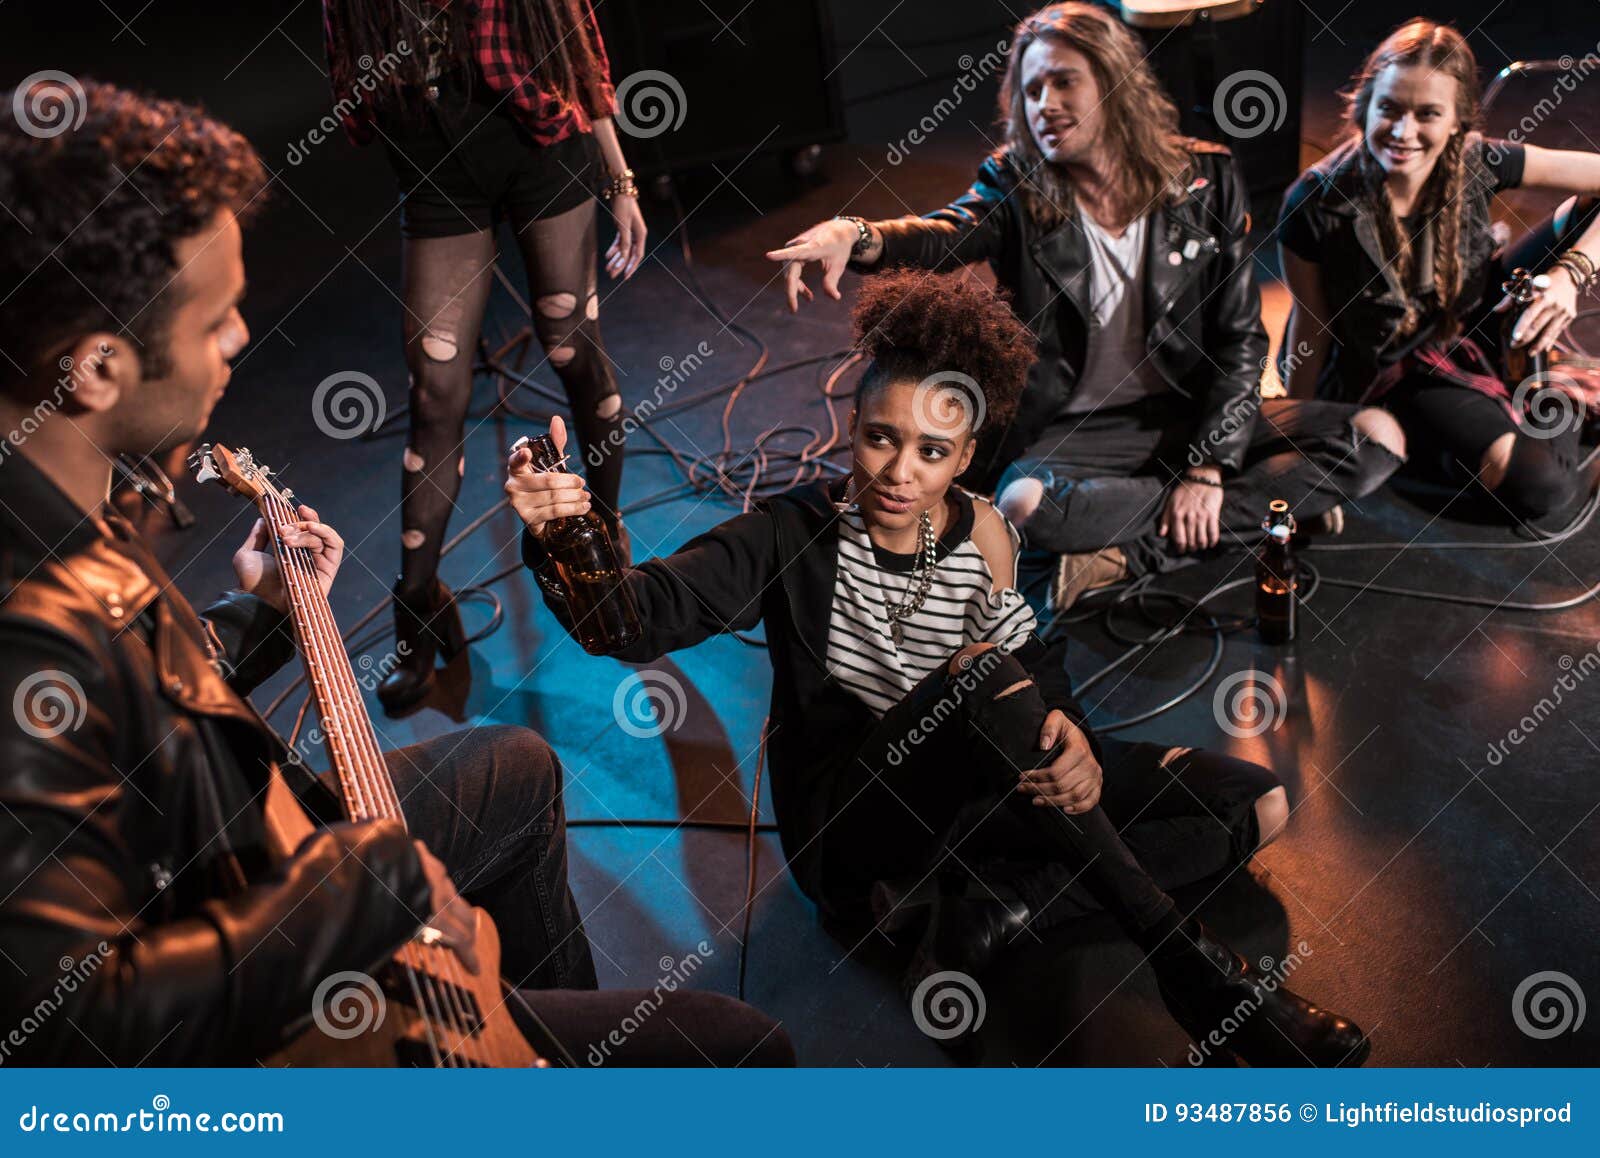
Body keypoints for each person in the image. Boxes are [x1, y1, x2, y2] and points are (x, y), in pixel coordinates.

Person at [0, 79, 789, 1068]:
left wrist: (259, 618)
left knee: (512, 765)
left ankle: (527, 1054)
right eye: (214, 322)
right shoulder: (28, 624)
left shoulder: (69, 505)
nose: (242, 338)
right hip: (255, 972)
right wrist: (362, 887)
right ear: (98, 370)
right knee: (740, 1052)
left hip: (254, 861)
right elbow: (70, 1033)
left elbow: (130, 717)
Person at [509, 269, 1369, 1066]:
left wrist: (1068, 731)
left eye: (930, 450)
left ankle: (995, 910)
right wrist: (567, 530)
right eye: (883, 438)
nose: (899, 470)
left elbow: (1037, 660)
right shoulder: (788, 534)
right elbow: (625, 620)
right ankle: (1202, 979)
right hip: (855, 831)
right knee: (982, 677)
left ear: (964, 459)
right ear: (854, 428)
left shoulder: (988, 531)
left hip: (987, 783)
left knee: (1256, 801)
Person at [766, 2, 1406, 611]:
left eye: (1063, 82)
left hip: (1191, 411)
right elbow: (945, 233)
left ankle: (1123, 556)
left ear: (1116, 80)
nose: (1045, 104)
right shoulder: (1016, 183)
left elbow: (1241, 341)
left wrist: (1207, 466)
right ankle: (1271, 511)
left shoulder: (1206, 180)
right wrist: (855, 234)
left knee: (1379, 435)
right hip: (1077, 432)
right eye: (1032, 89)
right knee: (1020, 504)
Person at [321, 0, 647, 713]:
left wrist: (618, 177)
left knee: (571, 348)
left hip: (539, 145)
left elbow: (577, 47)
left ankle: (604, 546)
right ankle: (417, 611)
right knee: (436, 390)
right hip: (434, 156)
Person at [1278, 18, 1600, 524]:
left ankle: (1519, 386)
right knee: (1542, 490)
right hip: (1398, 365)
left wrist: (1569, 276)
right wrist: (1298, 442)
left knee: (1586, 212)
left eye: (1427, 114)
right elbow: (1310, 330)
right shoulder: (1315, 201)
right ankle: (1555, 391)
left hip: (1470, 310)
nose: (1403, 133)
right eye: (1389, 109)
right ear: (1366, 105)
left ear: (1458, 121)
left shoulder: (1479, 160)